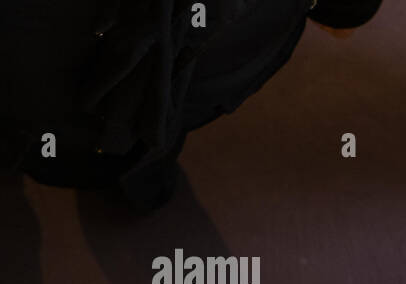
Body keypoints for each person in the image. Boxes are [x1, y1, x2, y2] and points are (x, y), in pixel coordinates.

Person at [0, 0, 383, 213]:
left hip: (33, 70)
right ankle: (140, 185)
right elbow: (344, 14)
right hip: (197, 61)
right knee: (153, 137)